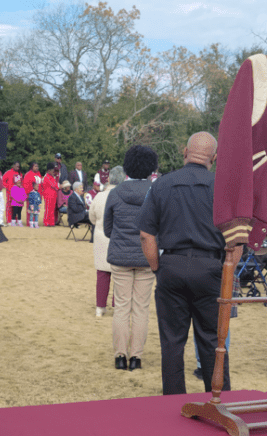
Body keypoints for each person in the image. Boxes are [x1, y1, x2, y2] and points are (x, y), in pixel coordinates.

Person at [139, 132, 230, 394]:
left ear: (184, 152)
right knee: (213, 340)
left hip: (172, 265)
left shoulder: (161, 185)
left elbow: (146, 234)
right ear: (214, 158)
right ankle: (219, 399)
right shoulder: (221, 187)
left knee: (172, 342)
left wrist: (157, 267)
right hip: (210, 267)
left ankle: (173, 400)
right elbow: (236, 236)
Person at [104, 146, 158, 372]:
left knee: (122, 308)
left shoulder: (115, 193)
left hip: (121, 257)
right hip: (147, 258)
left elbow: (108, 229)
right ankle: (135, 357)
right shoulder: (156, 192)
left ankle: (120, 356)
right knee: (141, 309)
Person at [88, 166, 124, 317]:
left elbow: (92, 218)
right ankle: (118, 306)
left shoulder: (99, 196)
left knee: (102, 274)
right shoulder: (124, 196)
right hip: (119, 238)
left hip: (101, 237)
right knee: (120, 274)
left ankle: (100, 307)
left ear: (109, 179)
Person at [40, 163, 60, 227]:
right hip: (48, 195)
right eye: (52, 170)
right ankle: (46, 222)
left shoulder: (51, 177)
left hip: (53, 195)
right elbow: (55, 186)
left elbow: (55, 186)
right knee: (48, 209)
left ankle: (51, 222)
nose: (53, 172)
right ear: (49, 170)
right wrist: (59, 186)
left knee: (52, 209)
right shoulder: (47, 177)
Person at [22, 162, 42, 226]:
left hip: (38, 194)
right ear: (32, 167)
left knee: (36, 208)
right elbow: (25, 185)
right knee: (30, 209)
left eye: (37, 166)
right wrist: (29, 194)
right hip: (31, 194)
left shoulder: (39, 174)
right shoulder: (28, 174)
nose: (37, 167)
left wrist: (40, 193)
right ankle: (29, 222)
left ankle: (35, 222)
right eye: (35, 166)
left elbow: (40, 184)